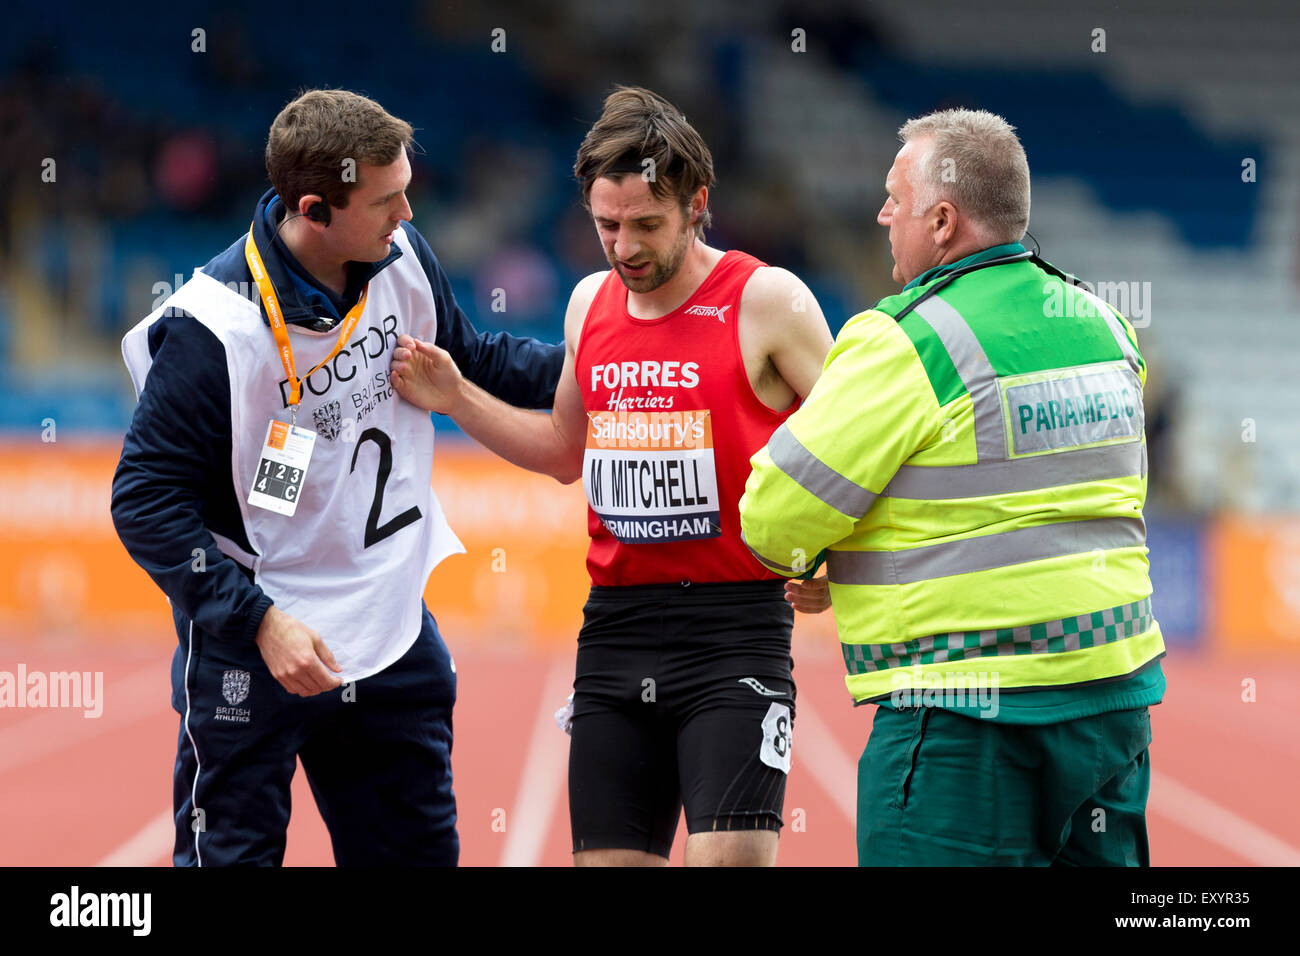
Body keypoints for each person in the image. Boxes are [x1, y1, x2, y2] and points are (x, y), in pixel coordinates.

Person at [110, 89, 563, 867]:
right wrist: (256, 620)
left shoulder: (401, 261)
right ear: (315, 209)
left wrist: (608, 366)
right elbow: (144, 501)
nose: (409, 216)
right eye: (388, 201)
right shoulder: (212, 329)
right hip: (257, 648)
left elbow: (478, 359)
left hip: (389, 634)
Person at [390, 86, 835, 866]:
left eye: (646, 226)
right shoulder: (589, 303)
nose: (624, 247)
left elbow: (856, 444)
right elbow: (566, 450)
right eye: (606, 225)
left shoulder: (768, 301)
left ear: (697, 205)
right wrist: (456, 397)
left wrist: (843, 555)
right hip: (616, 632)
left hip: (735, 632)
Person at [739, 108, 1166, 867]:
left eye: (893, 199)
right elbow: (1054, 502)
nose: (880, 214)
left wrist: (827, 561)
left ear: (941, 221)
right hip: (1112, 708)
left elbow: (774, 516)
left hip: (963, 721)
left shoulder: (907, 340)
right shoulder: (1109, 329)